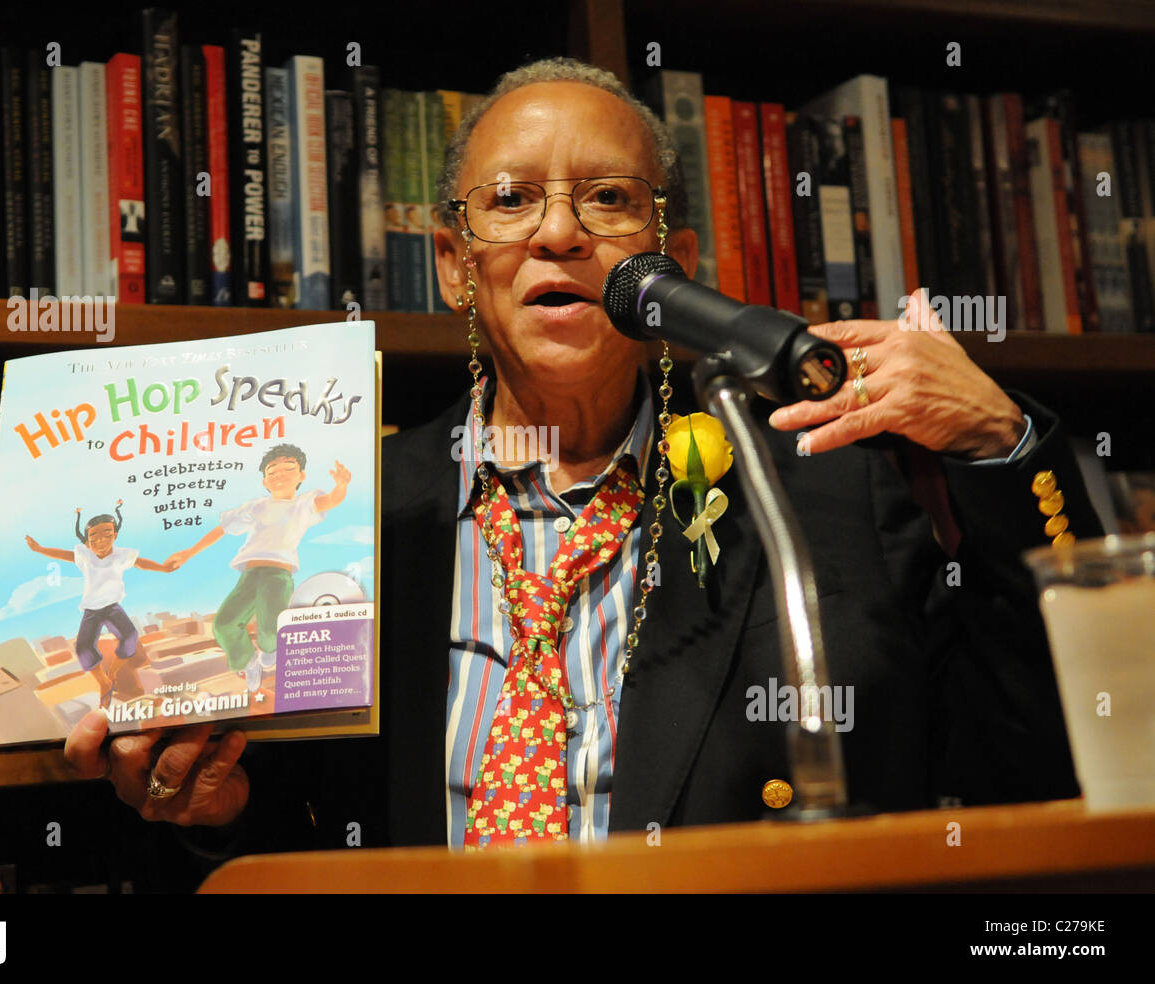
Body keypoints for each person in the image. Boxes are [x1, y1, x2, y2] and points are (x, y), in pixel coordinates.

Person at [65, 58, 1099, 858]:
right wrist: (217, 809)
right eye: (509, 202)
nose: (557, 232)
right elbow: (322, 829)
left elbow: (1046, 748)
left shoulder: (822, 489)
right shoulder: (365, 516)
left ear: (673, 263)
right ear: (455, 267)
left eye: (607, 199)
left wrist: (1000, 445)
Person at [166, 444, 352, 693]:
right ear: (265, 481)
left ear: (301, 476)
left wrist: (341, 484)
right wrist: (189, 553)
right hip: (250, 574)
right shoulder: (256, 506)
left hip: (278, 575)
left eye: (288, 469)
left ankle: (271, 650)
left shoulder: (303, 504)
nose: (280, 475)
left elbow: (332, 500)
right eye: (272, 472)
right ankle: (247, 661)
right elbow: (222, 529)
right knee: (224, 623)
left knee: (269, 628)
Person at [26, 501, 178, 707]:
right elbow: (64, 555)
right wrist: (40, 549)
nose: (101, 541)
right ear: (87, 542)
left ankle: (113, 670)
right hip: (92, 609)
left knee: (130, 636)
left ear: (115, 535)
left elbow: (141, 563)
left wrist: (163, 568)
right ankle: (104, 682)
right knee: (83, 648)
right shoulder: (85, 556)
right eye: (94, 537)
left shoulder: (121, 555)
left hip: (113, 607)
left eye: (107, 534)